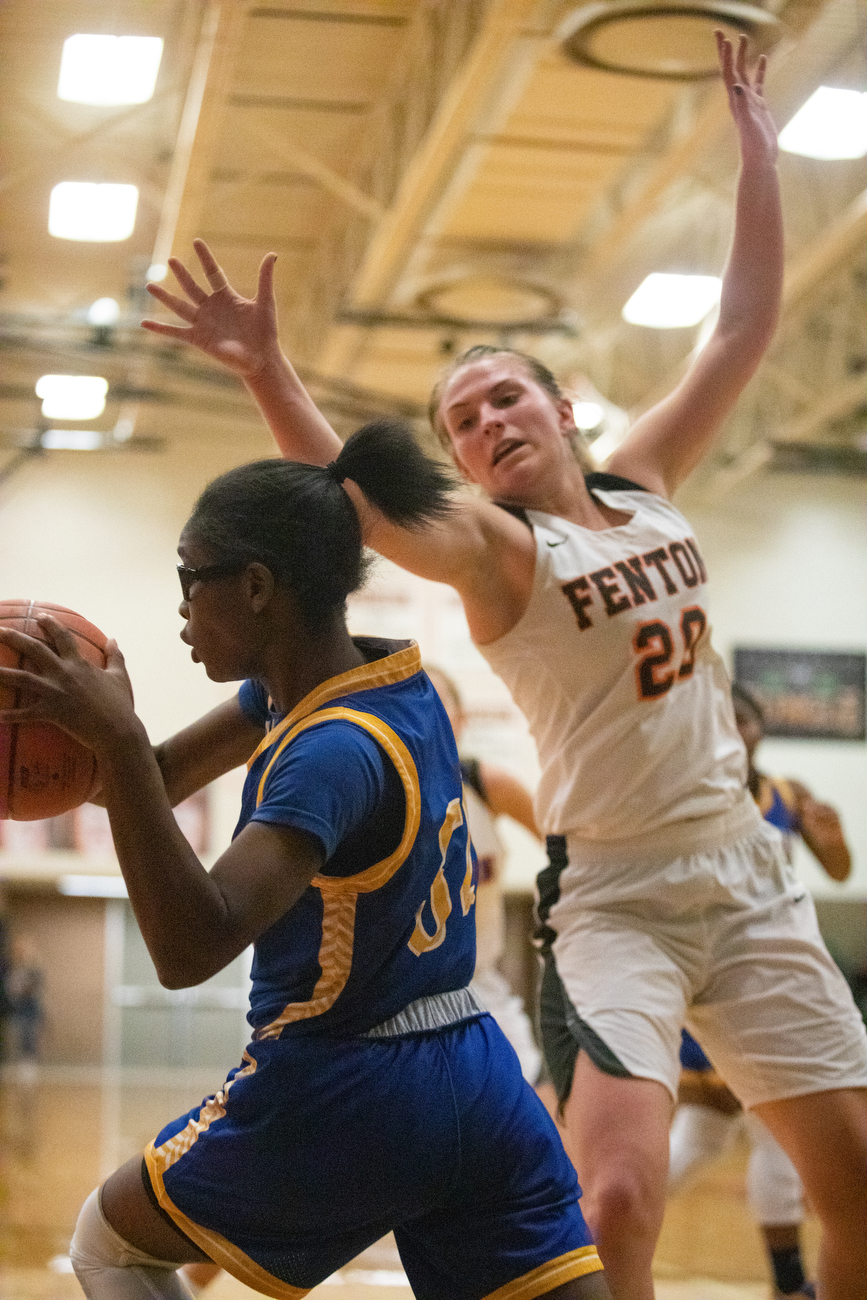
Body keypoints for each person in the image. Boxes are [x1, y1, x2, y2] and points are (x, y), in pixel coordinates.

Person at [140, 33, 867, 1300]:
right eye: (463, 423)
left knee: (854, 1181)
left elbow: (744, 326)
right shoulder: (496, 548)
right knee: (617, 1197)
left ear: (563, 409)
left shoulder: (647, 479)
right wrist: (267, 368)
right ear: (466, 468)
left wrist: (759, 155)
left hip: (748, 876)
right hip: (621, 898)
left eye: (505, 399)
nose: (487, 423)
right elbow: (351, 500)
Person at [0, 424, 607, 1300]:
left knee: (111, 1243)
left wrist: (120, 743)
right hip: (474, 1075)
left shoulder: (331, 752)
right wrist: (97, 740)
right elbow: (155, 781)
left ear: (255, 587)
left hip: (345, 1080)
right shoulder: (380, 682)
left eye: (190, 578)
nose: (180, 609)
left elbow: (191, 947)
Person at [669, 684, 854, 1299]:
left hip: (771, 976)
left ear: (760, 727)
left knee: (704, 1138)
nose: (734, 728)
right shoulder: (685, 797)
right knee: (767, 1136)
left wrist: (832, 840)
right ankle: (790, 1284)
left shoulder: (787, 795)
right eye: (720, 718)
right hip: (718, 984)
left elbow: (841, 870)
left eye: (743, 718)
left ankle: (590, 1229)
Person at [426, 665, 543, 1087]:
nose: (426, 716)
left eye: (438, 704)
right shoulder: (373, 789)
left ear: (461, 719)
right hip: (402, 999)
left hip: (480, 986)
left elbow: (563, 846)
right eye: (413, 704)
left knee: (532, 1100)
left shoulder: (486, 783)